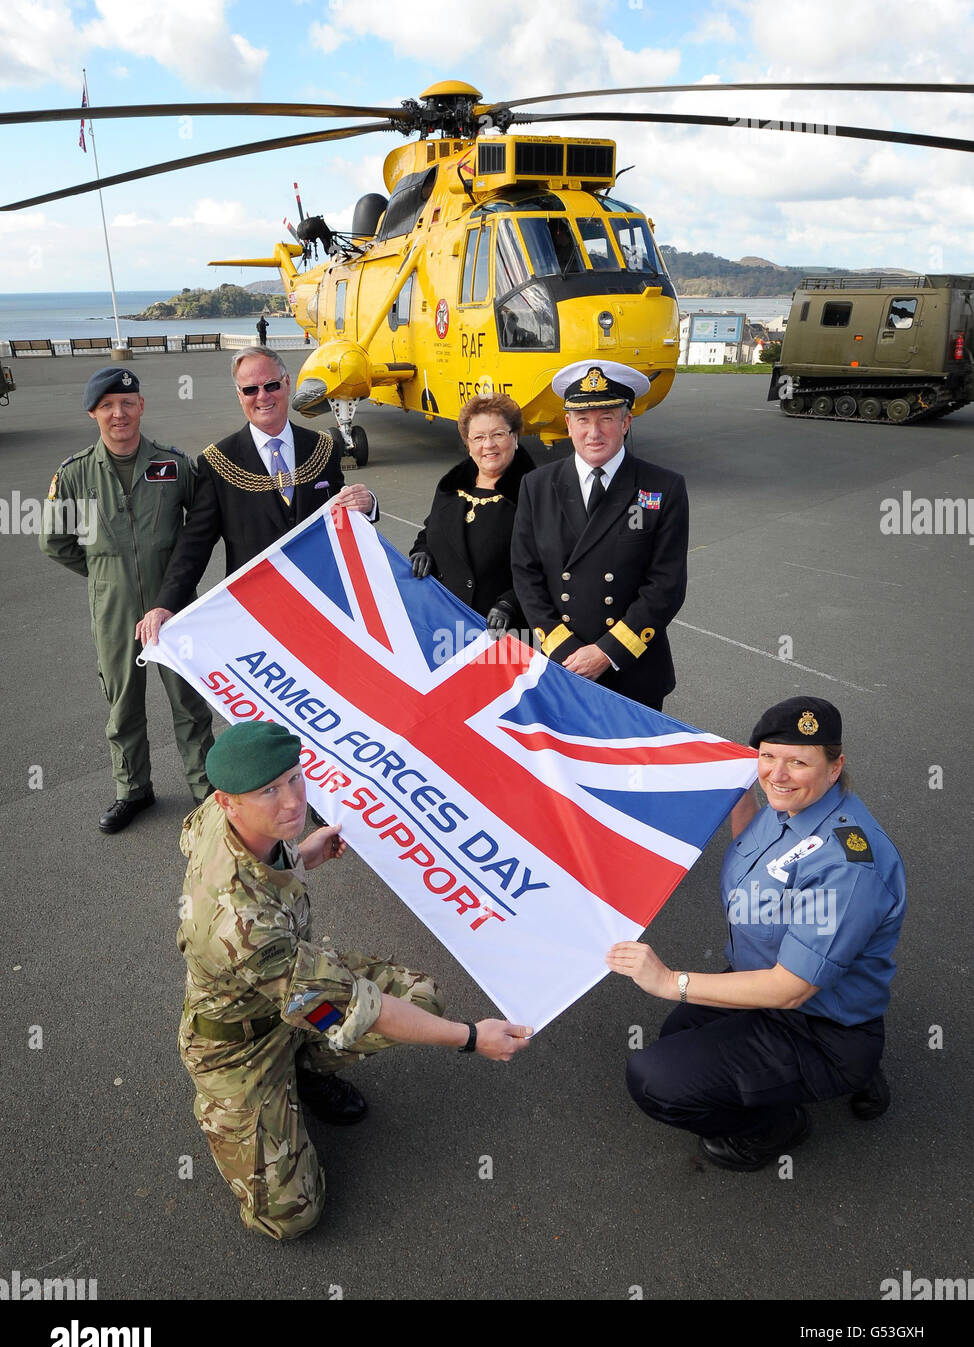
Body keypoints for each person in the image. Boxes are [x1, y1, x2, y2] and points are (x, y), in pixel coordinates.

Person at [179, 720, 532, 1239]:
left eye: (294, 778)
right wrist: (472, 1038)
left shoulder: (222, 817)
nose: (292, 802)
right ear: (228, 801)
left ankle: (304, 1068)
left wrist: (301, 857)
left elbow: (242, 863)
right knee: (291, 1216)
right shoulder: (237, 922)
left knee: (422, 997)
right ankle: (246, 1104)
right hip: (239, 1047)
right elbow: (354, 1004)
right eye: (268, 792)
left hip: (294, 994)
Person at [609, 697, 906, 1172]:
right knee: (673, 1037)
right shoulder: (783, 803)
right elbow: (761, 852)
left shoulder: (848, 865)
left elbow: (790, 989)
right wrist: (738, 791)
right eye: (767, 756)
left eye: (798, 761)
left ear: (835, 767)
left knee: (653, 1078)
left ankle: (779, 1127)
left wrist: (672, 982)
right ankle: (826, 1080)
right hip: (765, 980)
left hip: (818, 1025)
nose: (778, 774)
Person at [39, 366, 214, 832]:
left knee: (189, 701)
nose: (119, 413)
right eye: (108, 405)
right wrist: (103, 574)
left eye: (127, 403)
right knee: (122, 705)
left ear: (141, 406)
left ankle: (206, 789)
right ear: (93, 413)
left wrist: (173, 582)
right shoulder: (74, 474)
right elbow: (54, 541)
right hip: (113, 610)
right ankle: (133, 789)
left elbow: (200, 527)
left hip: (173, 604)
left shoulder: (174, 466)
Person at [136, 347, 378, 646]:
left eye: (271, 385)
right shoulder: (217, 461)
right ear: (240, 395)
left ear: (287, 384)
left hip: (325, 606)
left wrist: (368, 505)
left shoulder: (323, 448)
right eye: (250, 389)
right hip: (254, 614)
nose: (262, 397)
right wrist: (166, 603)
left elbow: (341, 517)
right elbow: (195, 543)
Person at [511, 359, 688, 710]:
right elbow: (525, 573)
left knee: (633, 764)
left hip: (632, 669)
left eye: (606, 418)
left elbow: (665, 585)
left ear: (626, 422)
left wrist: (607, 652)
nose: (594, 432)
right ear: (568, 424)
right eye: (583, 420)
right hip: (560, 664)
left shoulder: (663, 487)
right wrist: (564, 649)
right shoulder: (536, 486)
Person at [409, 392, 535, 635]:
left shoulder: (535, 494)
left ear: (515, 438)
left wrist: (511, 604)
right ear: (468, 445)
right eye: (478, 437)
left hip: (507, 633)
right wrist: (422, 551)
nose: (488, 445)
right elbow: (430, 532)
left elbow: (546, 566)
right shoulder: (449, 487)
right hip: (445, 626)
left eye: (498, 434)